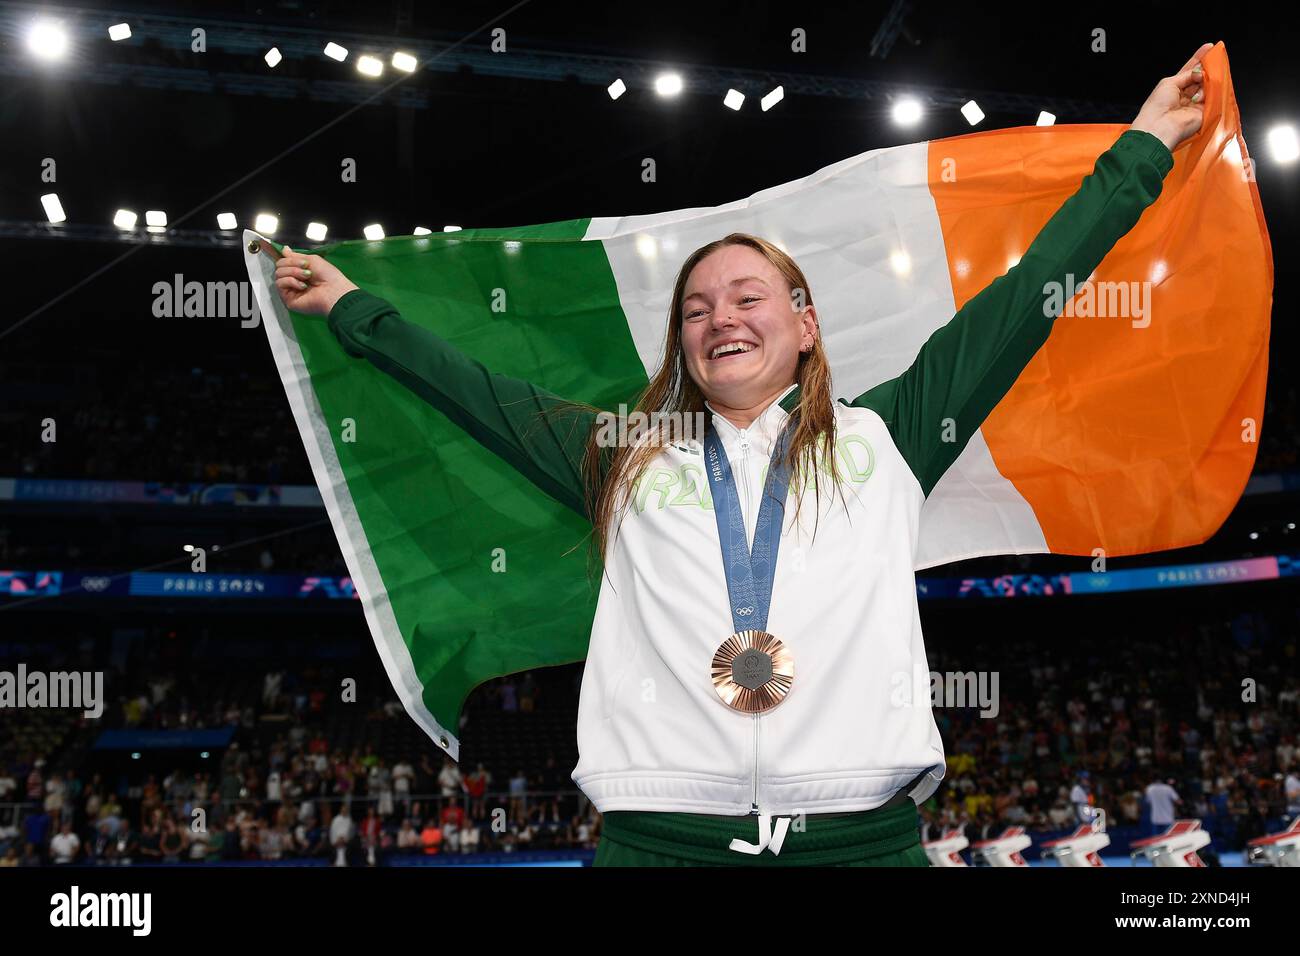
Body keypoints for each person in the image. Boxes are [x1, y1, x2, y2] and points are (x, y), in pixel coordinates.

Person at [273, 46, 1212, 867]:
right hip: (659, 842)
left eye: (749, 297)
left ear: (804, 325)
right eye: (696, 307)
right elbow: (479, 395)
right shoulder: (626, 457)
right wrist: (356, 310)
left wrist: (1143, 148)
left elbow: (1026, 297)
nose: (722, 316)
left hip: (862, 841)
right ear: (681, 343)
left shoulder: (892, 436)